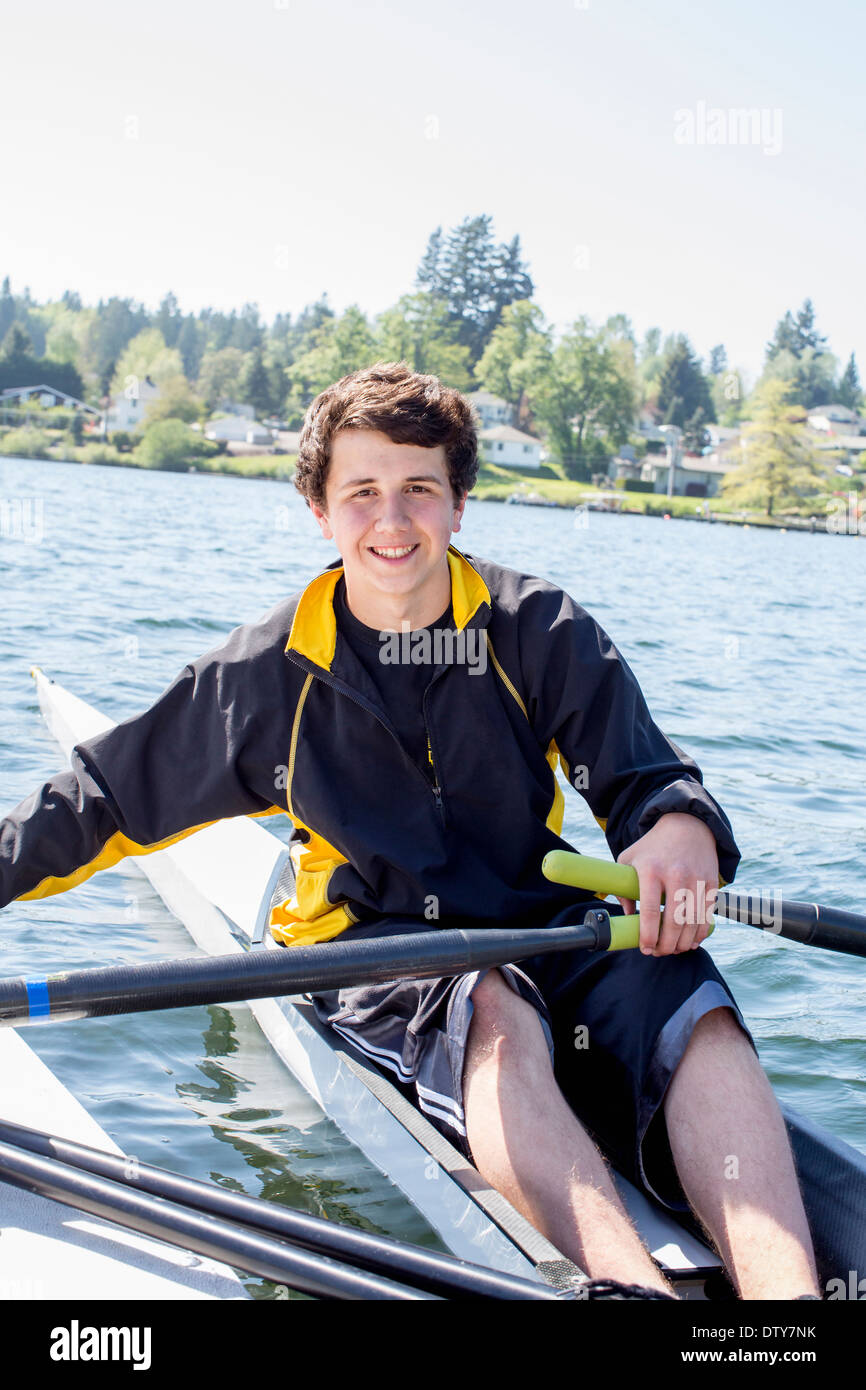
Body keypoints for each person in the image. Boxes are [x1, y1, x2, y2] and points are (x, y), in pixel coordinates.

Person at [0, 363, 818, 1299]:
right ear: (320, 510)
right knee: (490, 1001)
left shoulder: (537, 630)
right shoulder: (266, 677)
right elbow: (100, 801)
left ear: (459, 505)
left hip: (542, 923)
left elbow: (645, 780)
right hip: (370, 948)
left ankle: (786, 1318)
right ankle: (634, 1297)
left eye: (419, 490)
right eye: (362, 494)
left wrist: (679, 828)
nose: (392, 522)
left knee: (689, 996)